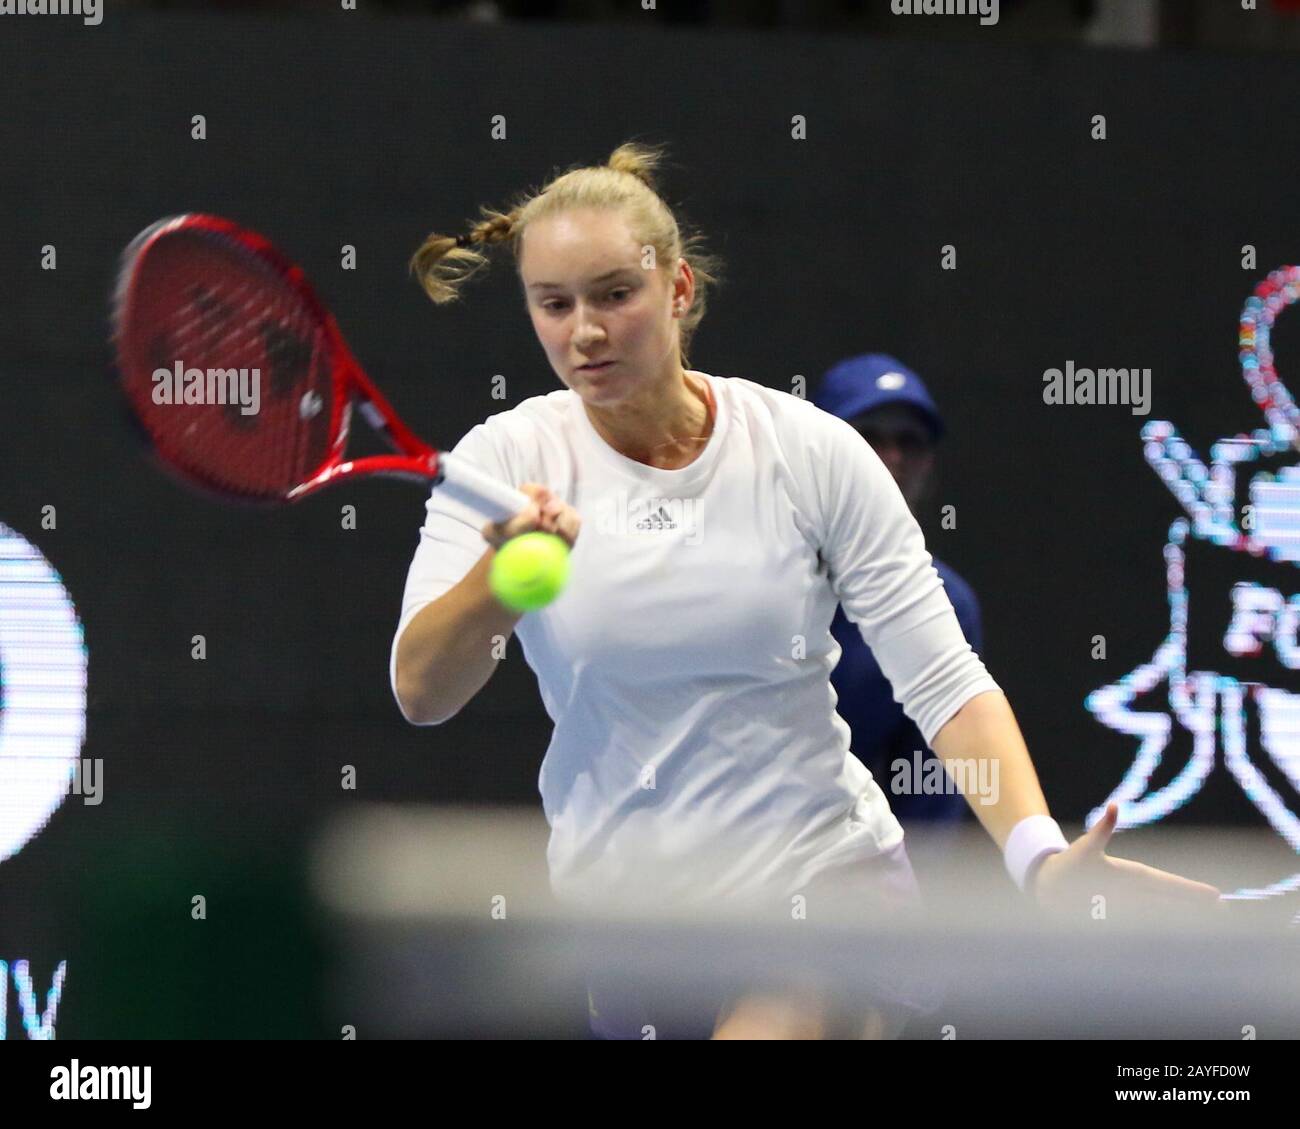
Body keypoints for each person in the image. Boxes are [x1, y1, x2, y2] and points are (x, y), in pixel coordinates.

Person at [390, 141, 1220, 1040]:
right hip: (627, 917)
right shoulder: (504, 460)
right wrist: (500, 581)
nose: (583, 330)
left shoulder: (810, 450)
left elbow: (944, 678)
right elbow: (422, 690)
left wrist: (1038, 856)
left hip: (818, 882)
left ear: (678, 289)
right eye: (554, 305)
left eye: (613, 294)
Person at [814, 356, 979, 837]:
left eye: (910, 442)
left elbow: (929, 801)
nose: (892, 459)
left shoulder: (947, 604)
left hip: (848, 886)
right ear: (819, 453)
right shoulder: (754, 579)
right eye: (869, 437)